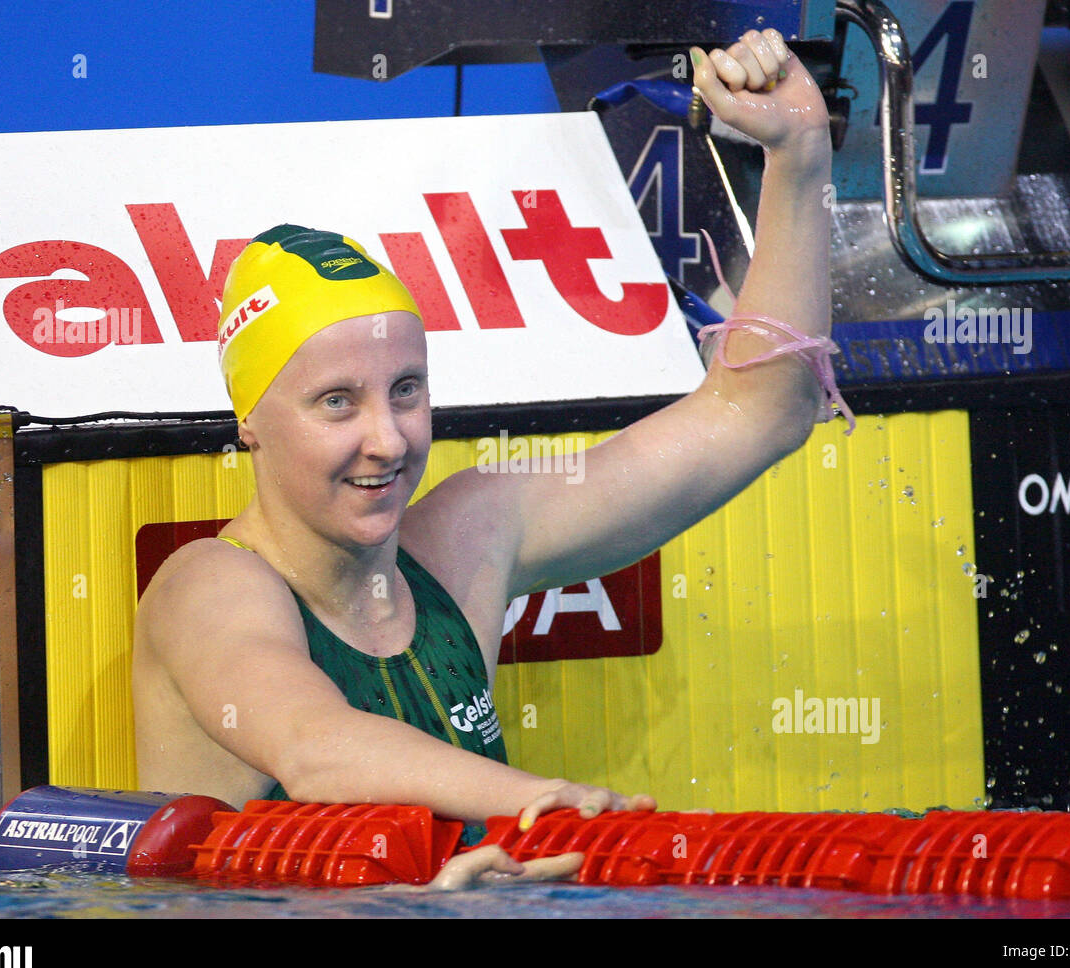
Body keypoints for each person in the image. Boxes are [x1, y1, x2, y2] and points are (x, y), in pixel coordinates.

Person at [133, 28, 836, 856]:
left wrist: (800, 156)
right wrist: (543, 799)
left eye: (406, 390)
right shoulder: (209, 588)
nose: (386, 439)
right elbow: (315, 746)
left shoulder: (466, 539)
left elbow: (762, 412)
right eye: (336, 403)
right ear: (248, 420)